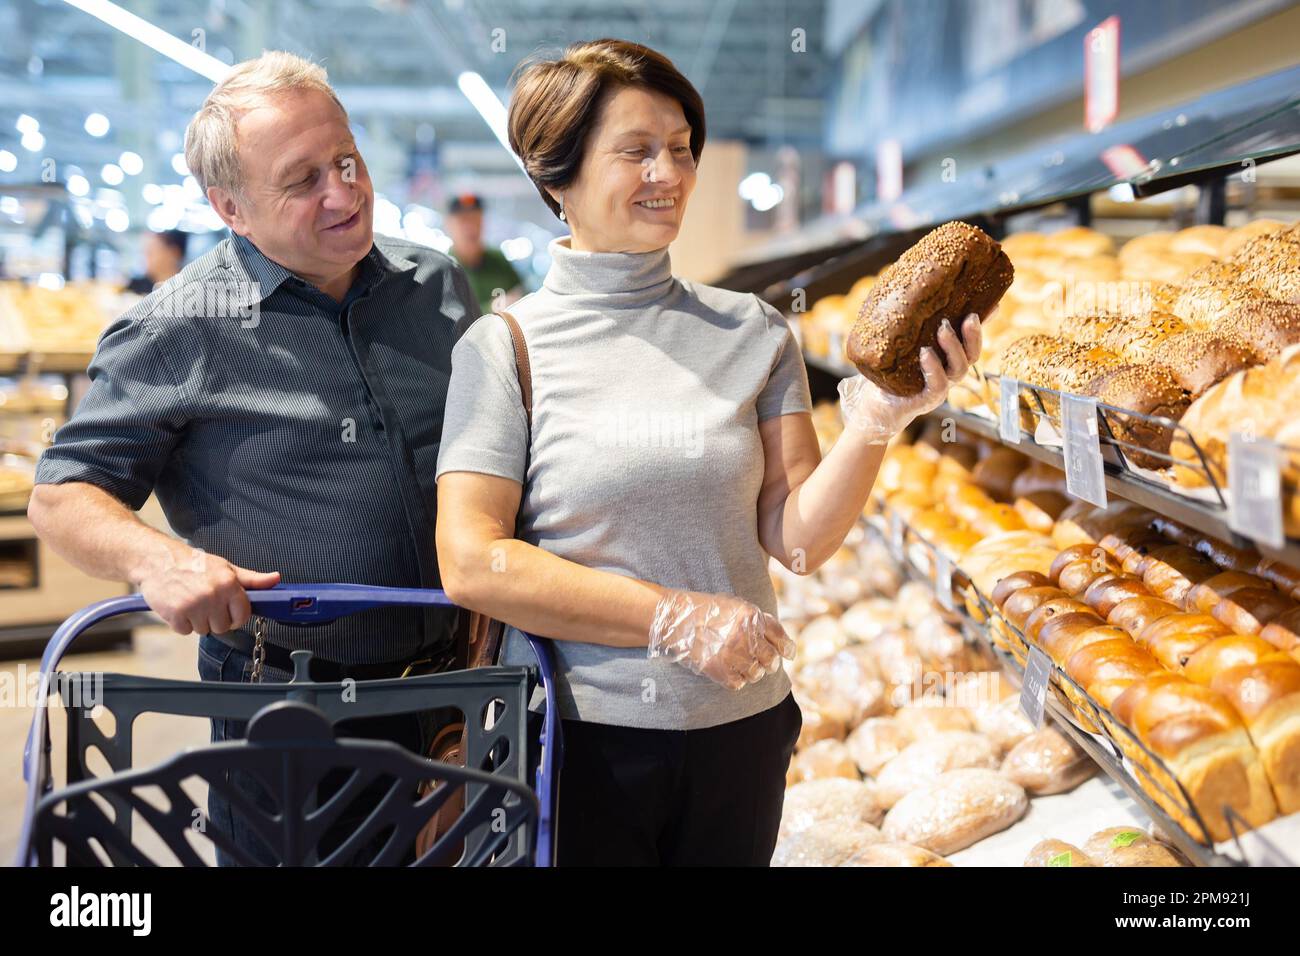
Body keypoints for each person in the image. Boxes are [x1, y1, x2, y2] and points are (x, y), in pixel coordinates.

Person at [434, 39, 980, 866]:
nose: (671, 174)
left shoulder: (753, 330)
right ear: (558, 179)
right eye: (638, 151)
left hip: (743, 733)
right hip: (581, 739)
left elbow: (797, 539)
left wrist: (877, 420)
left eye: (682, 150)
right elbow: (472, 562)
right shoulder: (503, 347)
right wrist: (669, 617)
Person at [27, 51, 479, 865]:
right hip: (290, 710)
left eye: (347, 161)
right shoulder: (176, 330)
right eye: (303, 180)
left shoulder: (437, 287)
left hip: (470, 691)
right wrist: (156, 559)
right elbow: (60, 495)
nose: (343, 193)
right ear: (231, 207)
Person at [445, 192, 523, 310]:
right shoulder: (443, 268)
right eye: (463, 221)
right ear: (449, 225)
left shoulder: (498, 260)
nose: (471, 227)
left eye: (475, 219)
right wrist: (492, 309)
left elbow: (521, 293)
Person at [125, 229, 188, 295]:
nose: (146, 257)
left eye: (151, 252)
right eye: (145, 252)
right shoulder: (135, 286)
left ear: (174, 253)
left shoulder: (187, 290)